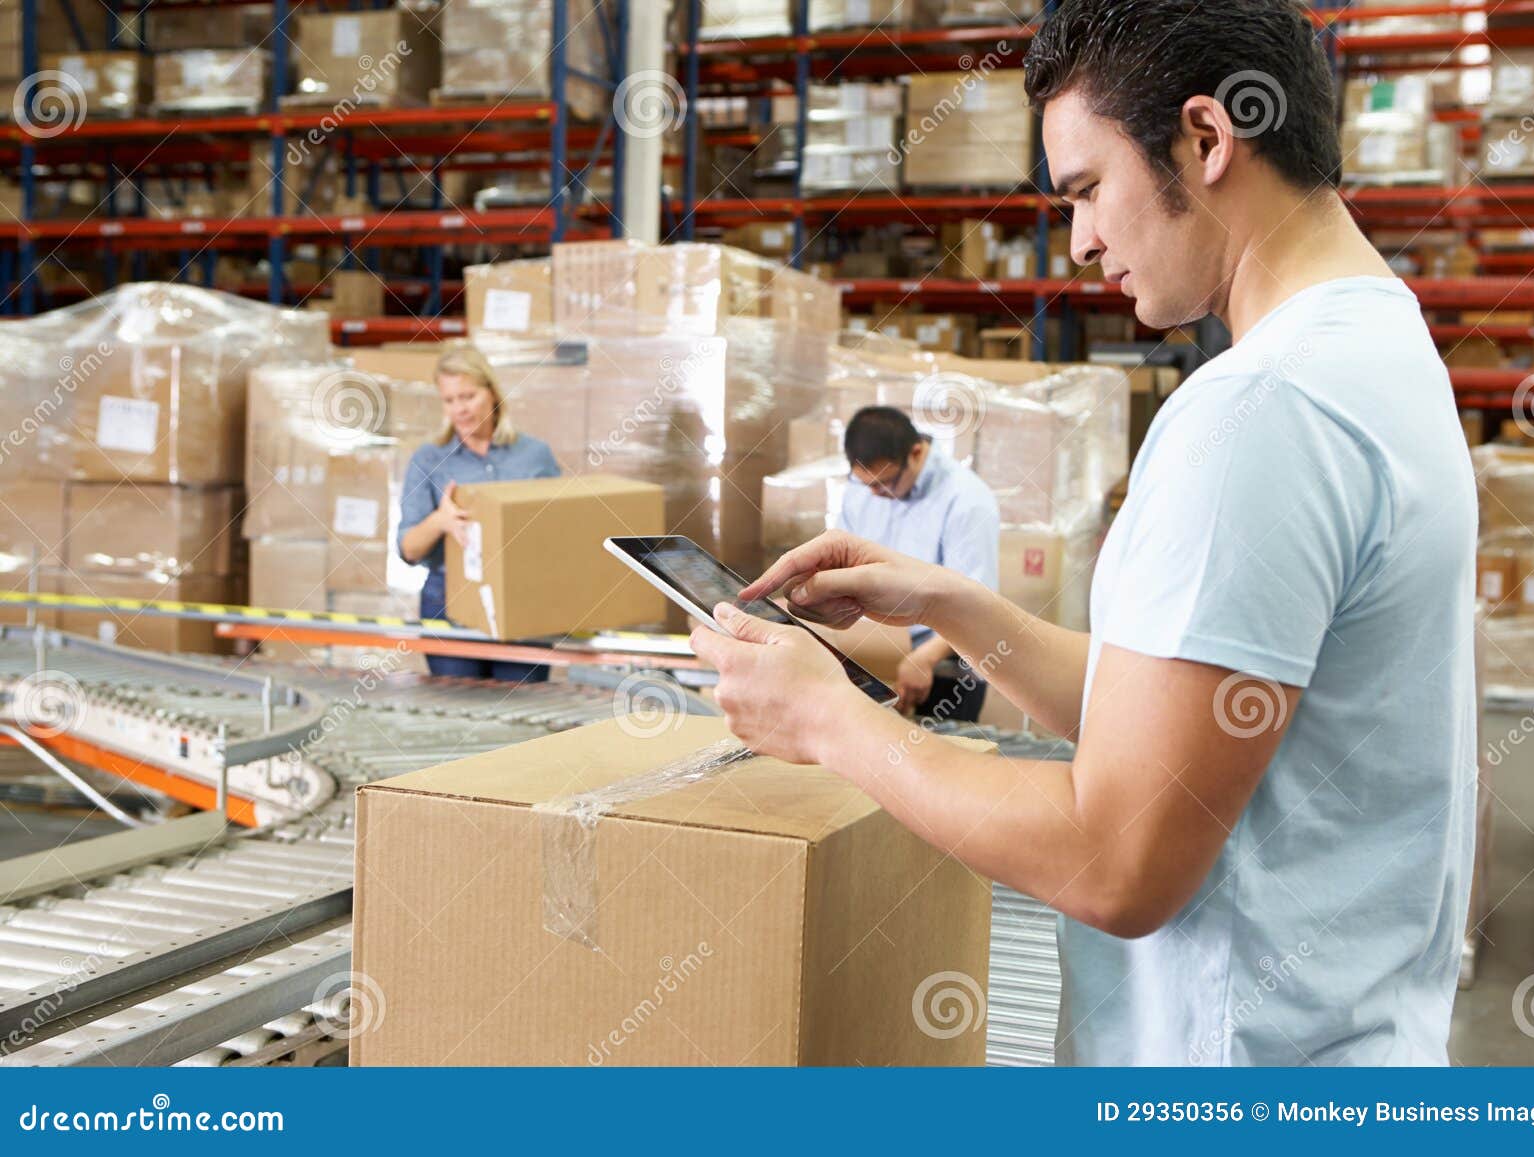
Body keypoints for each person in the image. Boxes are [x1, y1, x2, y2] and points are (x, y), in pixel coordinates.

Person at [690, 0, 1476, 1066]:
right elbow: (1187, 719)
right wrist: (957, 606)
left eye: (1088, 189)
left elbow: (1116, 859)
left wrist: (829, 720)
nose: (1082, 240)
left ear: (1207, 138)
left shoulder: (1261, 411)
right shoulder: (1375, 343)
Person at [397, 347, 561, 682]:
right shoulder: (428, 459)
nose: (459, 409)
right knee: (462, 707)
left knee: (522, 705)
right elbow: (408, 550)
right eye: (449, 400)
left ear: (492, 393)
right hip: (449, 600)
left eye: (468, 396)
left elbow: (559, 533)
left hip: (522, 597)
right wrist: (440, 521)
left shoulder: (534, 456)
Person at [838, 406, 999, 719]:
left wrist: (925, 658)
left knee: (940, 747)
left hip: (942, 664)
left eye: (884, 483)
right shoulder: (860, 490)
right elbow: (843, 563)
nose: (875, 494)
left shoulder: (967, 499)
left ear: (915, 453)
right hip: (873, 653)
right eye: (866, 484)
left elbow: (977, 604)